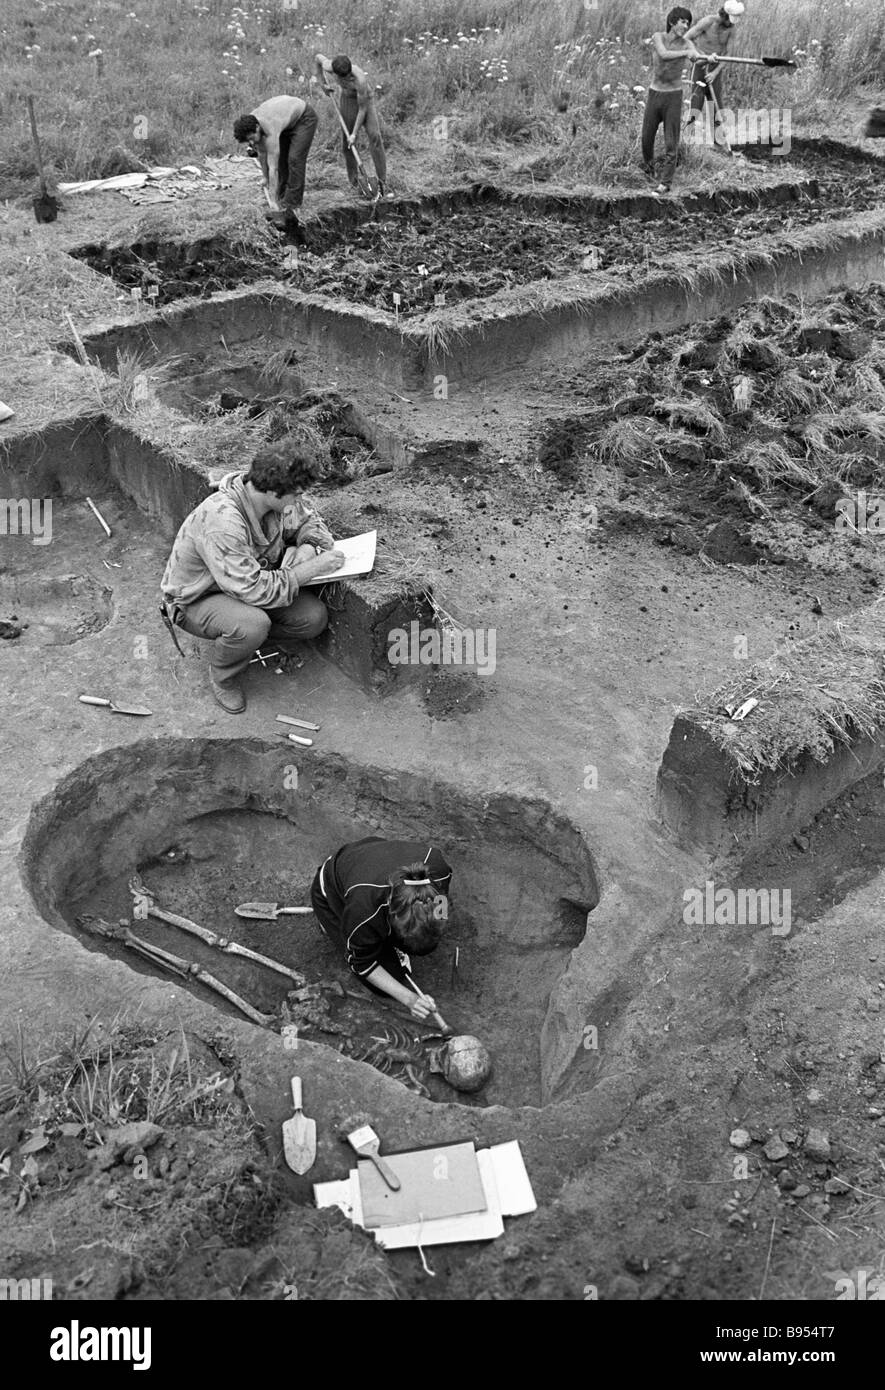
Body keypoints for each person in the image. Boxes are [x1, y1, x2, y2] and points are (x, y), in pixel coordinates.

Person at [160, 444, 344, 713]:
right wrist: (312, 567)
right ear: (272, 491)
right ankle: (222, 674)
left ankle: (242, 642)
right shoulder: (223, 523)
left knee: (312, 618)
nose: (299, 500)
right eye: (297, 494)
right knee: (252, 625)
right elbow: (254, 590)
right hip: (198, 598)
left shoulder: (276, 497)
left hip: (247, 583)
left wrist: (306, 547)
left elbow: (310, 521)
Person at [310, 838, 452, 1019]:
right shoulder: (363, 910)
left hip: (369, 859)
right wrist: (410, 999)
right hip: (330, 892)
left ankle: (386, 941)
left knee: (425, 947)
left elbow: (443, 906)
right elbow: (361, 963)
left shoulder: (440, 873)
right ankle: (330, 923)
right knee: (389, 977)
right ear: (391, 917)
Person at [233, 95, 318, 230]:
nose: (251, 143)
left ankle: (292, 204)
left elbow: (273, 168)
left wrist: (271, 199)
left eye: (251, 138)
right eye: (248, 141)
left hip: (303, 119)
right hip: (286, 122)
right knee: (282, 161)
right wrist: (265, 178)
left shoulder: (270, 127)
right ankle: (282, 195)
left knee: (294, 159)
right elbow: (262, 154)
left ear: (257, 127)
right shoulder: (251, 123)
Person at [641, 8, 703, 194]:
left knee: (671, 142)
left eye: (688, 23)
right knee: (646, 138)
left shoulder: (688, 44)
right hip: (655, 94)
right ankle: (649, 169)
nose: (685, 26)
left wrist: (707, 59)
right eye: (682, 22)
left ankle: (665, 183)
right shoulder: (658, 36)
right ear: (672, 22)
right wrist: (686, 54)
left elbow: (697, 60)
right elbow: (663, 54)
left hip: (673, 97)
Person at [312, 52, 387, 196]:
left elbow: (363, 109)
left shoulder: (360, 80)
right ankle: (354, 183)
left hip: (366, 103)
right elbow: (318, 58)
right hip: (347, 100)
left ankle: (382, 182)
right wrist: (322, 84)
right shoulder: (330, 66)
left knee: (375, 137)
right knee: (347, 144)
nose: (346, 79)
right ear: (337, 73)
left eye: (348, 76)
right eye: (343, 77)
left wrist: (354, 133)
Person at [686, 3, 745, 128]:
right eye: (730, 20)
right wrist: (699, 54)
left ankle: (718, 144)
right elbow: (687, 38)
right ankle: (688, 141)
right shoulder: (708, 22)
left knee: (716, 107)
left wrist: (715, 73)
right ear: (724, 16)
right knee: (695, 103)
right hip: (700, 66)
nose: (732, 24)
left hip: (715, 69)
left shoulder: (731, 29)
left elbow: (728, 54)